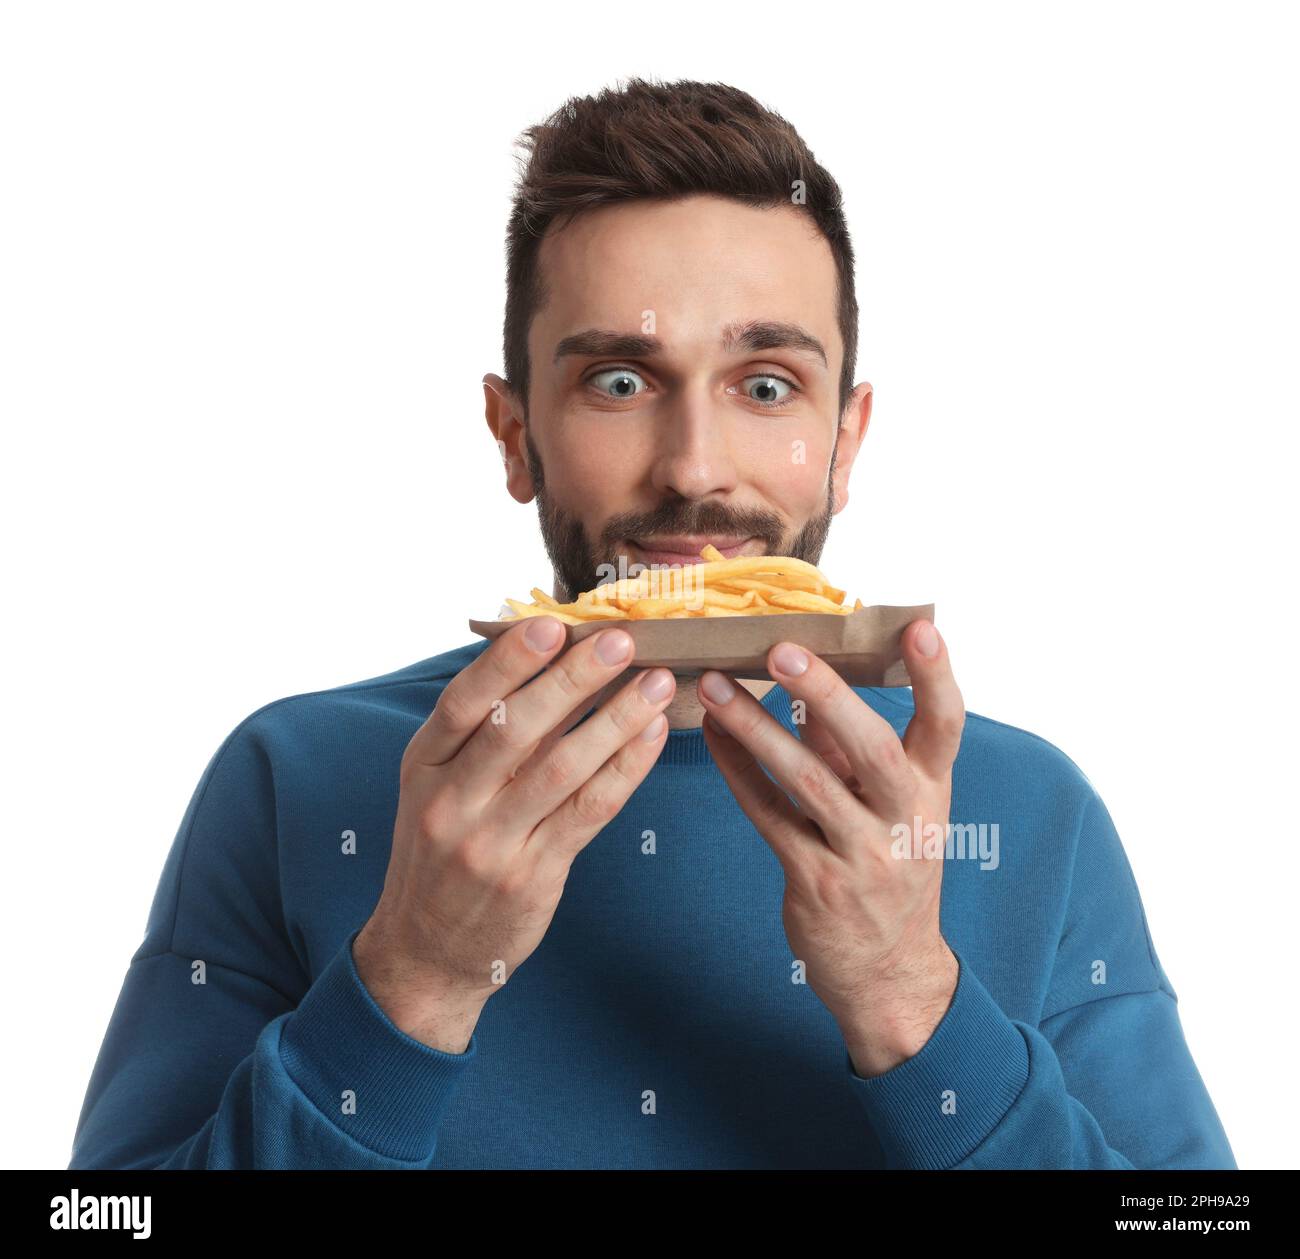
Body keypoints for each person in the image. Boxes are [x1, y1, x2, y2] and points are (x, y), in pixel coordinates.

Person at [68, 77, 1235, 1170]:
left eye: (766, 382)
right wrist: (412, 978)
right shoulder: (294, 779)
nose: (693, 468)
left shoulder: (1022, 810)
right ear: (514, 432)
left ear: (846, 440)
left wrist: (908, 996)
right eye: (619, 381)